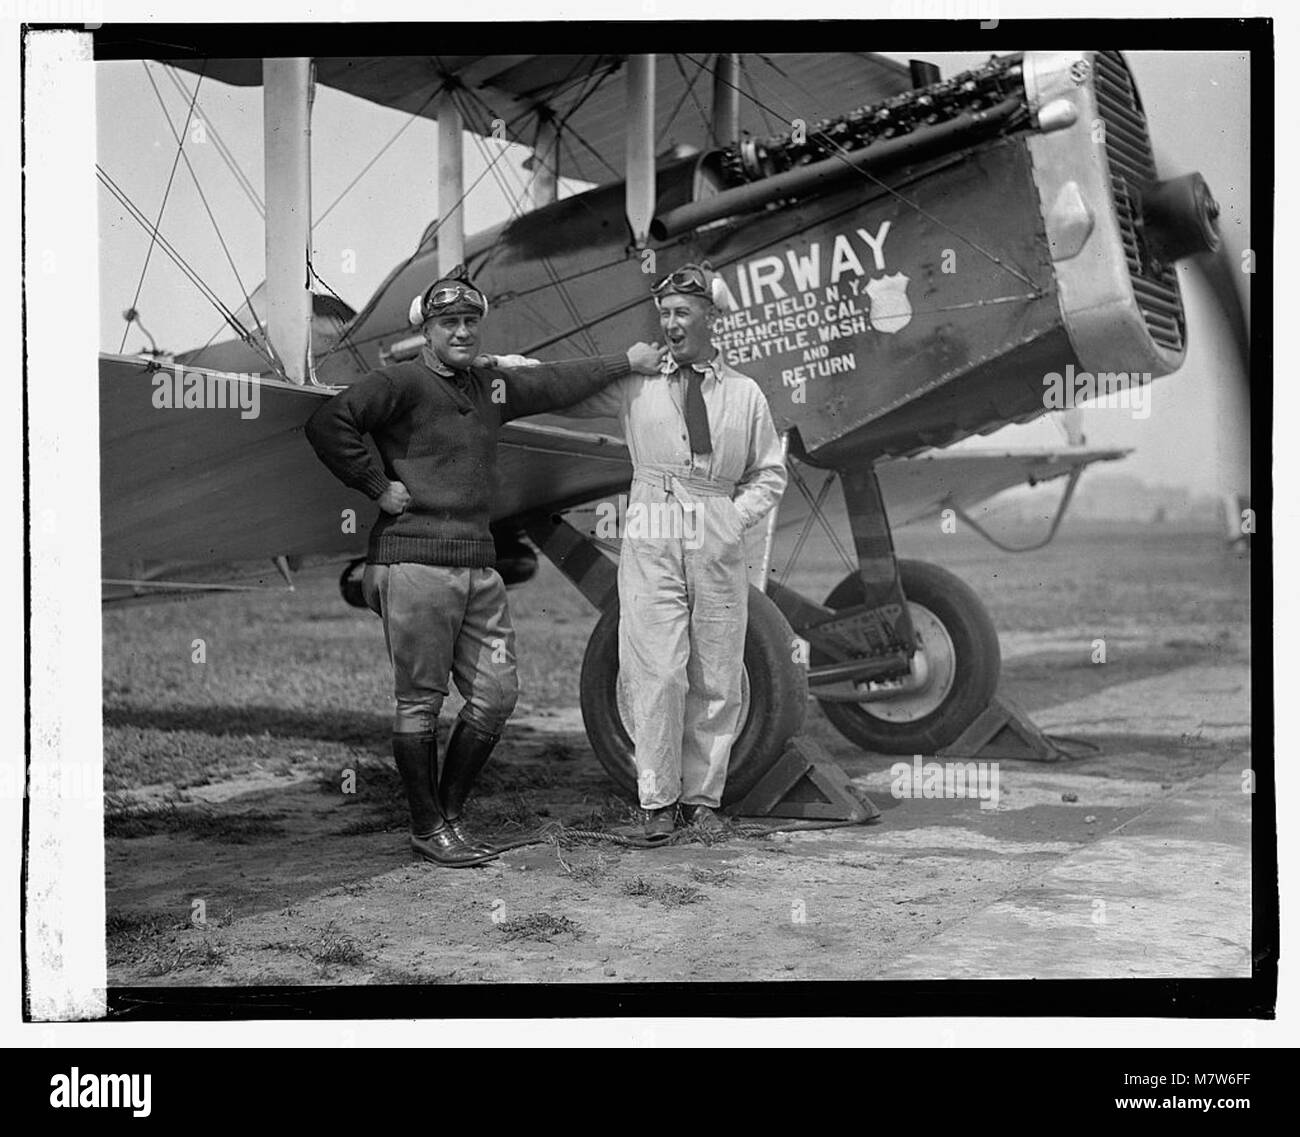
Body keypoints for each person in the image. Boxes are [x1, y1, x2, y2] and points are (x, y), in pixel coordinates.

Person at [305, 266, 665, 866]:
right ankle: (429, 827)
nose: (463, 332)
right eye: (450, 322)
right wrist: (375, 485)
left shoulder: (491, 388)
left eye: (471, 321)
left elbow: (555, 383)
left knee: (497, 695)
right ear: (428, 329)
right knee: (420, 701)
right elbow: (328, 422)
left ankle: (445, 817)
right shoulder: (400, 382)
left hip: (479, 566)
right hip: (414, 560)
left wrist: (625, 360)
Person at [563, 262, 787, 837]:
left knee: (717, 670)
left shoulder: (745, 394)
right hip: (653, 517)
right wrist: (497, 369)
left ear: (712, 316)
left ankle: (703, 802)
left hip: (714, 521)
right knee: (657, 669)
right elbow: (565, 386)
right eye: (663, 314)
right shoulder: (637, 382)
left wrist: (732, 519)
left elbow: (768, 473)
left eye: (682, 313)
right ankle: (657, 802)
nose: (670, 325)